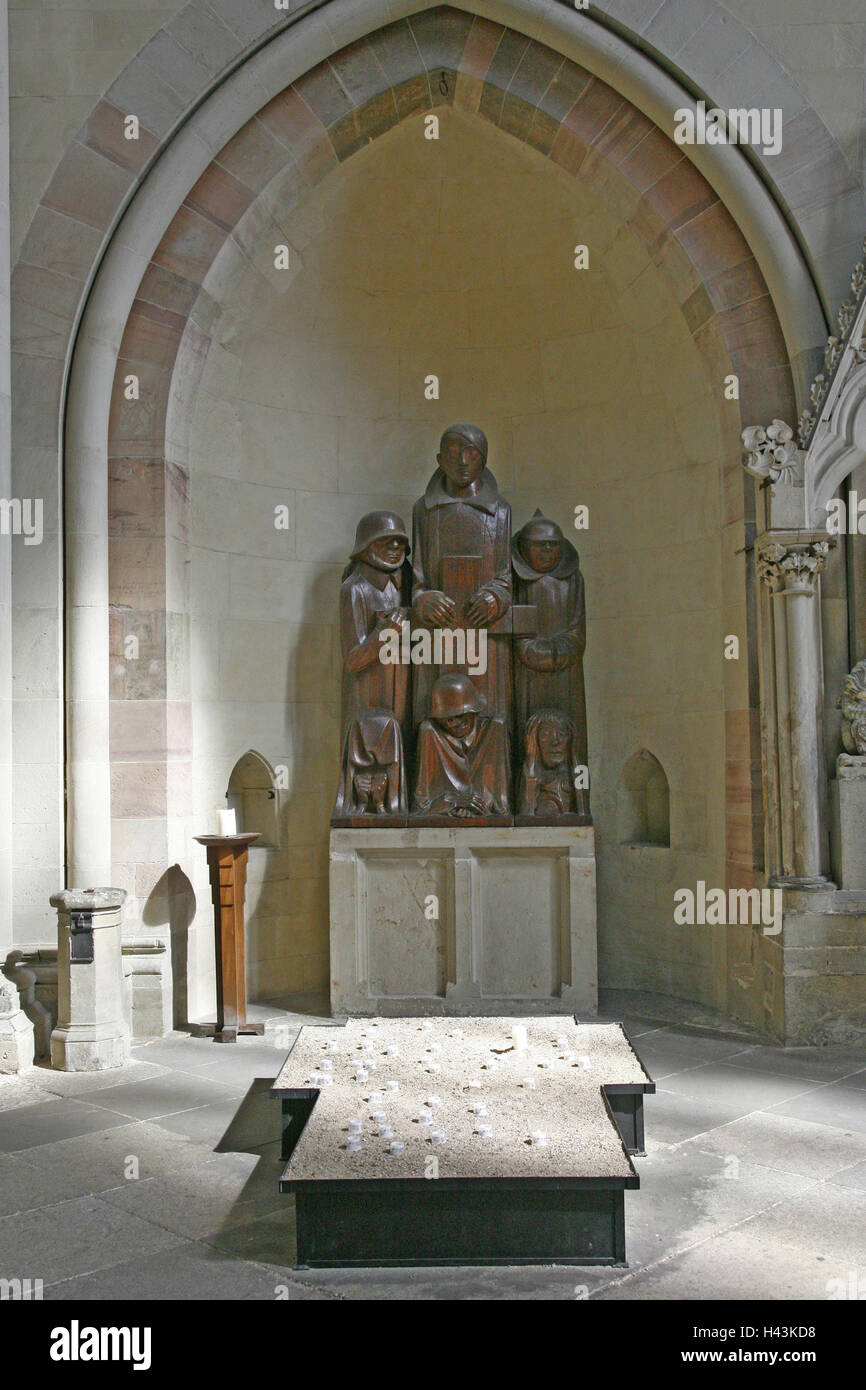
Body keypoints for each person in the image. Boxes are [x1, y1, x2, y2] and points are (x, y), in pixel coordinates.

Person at [411, 424, 512, 728]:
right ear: (440, 460)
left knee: (490, 717)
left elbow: (506, 575)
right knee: (433, 718)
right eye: (454, 454)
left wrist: (496, 597)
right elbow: (416, 576)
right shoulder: (424, 511)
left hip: (485, 632)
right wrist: (422, 598)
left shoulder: (500, 511)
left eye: (471, 454)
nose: (463, 462)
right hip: (436, 633)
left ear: (483, 461)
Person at [332, 511, 411, 819]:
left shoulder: (402, 585)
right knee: (368, 749)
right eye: (387, 541)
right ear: (366, 546)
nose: (395, 548)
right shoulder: (355, 589)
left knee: (399, 745)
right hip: (367, 689)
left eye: (400, 543)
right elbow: (353, 659)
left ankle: (395, 800)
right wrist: (384, 636)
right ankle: (364, 805)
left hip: (400, 682)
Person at [512, 510, 587, 772]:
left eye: (552, 545)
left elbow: (577, 627)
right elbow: (513, 624)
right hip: (524, 672)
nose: (547, 551)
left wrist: (557, 651)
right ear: (524, 547)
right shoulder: (515, 580)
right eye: (539, 545)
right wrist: (528, 649)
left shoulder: (573, 580)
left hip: (566, 671)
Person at [412, 673, 511, 818]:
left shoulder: (494, 731)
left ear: (473, 711)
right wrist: (453, 802)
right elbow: (421, 806)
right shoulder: (431, 734)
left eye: (459, 715)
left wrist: (482, 808)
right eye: (446, 719)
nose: (453, 724)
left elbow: (502, 805)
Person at [518, 708, 588, 818]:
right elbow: (526, 814)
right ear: (535, 740)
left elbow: (583, 814)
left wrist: (575, 757)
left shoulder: (580, 772)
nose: (555, 741)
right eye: (545, 734)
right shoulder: (531, 774)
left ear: (570, 740)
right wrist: (531, 755)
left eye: (562, 734)